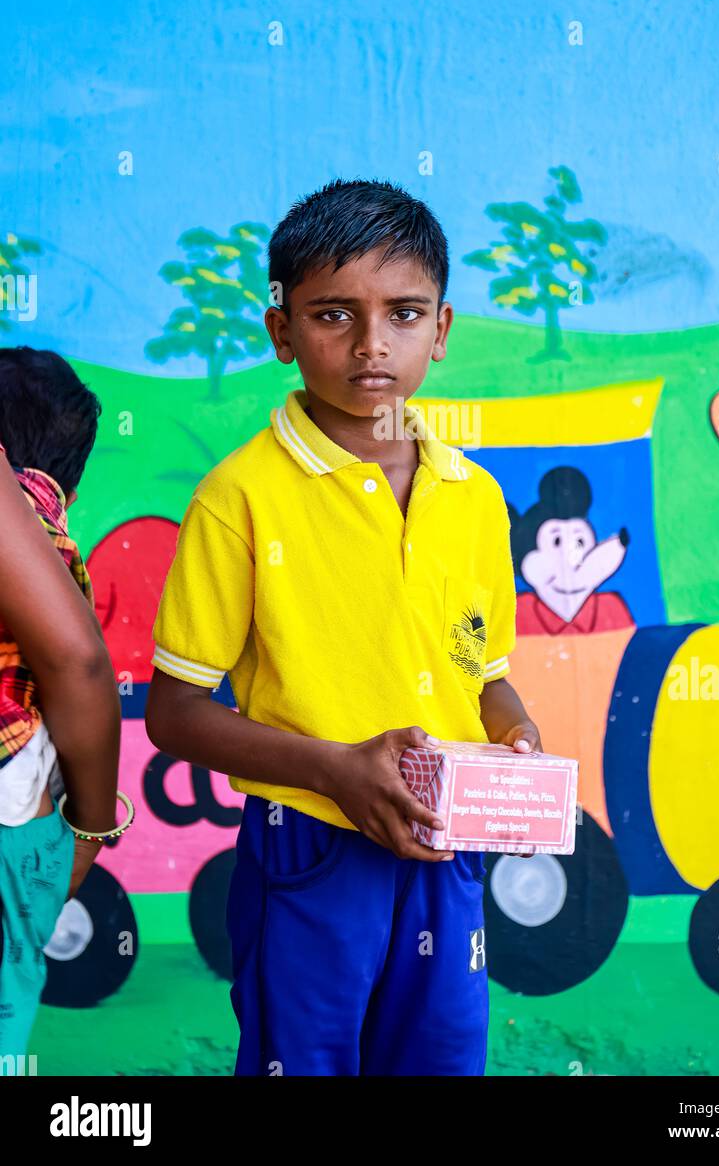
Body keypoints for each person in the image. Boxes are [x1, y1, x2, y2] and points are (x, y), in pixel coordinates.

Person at [147, 178, 541, 1077]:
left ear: (440, 332)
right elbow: (174, 713)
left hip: (444, 853)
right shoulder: (239, 498)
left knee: (440, 1059)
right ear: (281, 330)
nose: (372, 345)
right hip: (310, 846)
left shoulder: (474, 500)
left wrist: (513, 736)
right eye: (333, 315)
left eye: (404, 314)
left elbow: (480, 676)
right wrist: (335, 769)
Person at [0, 347, 123, 1062]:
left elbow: (76, 662)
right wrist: (90, 831)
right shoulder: (54, 531)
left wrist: (91, 829)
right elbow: (74, 662)